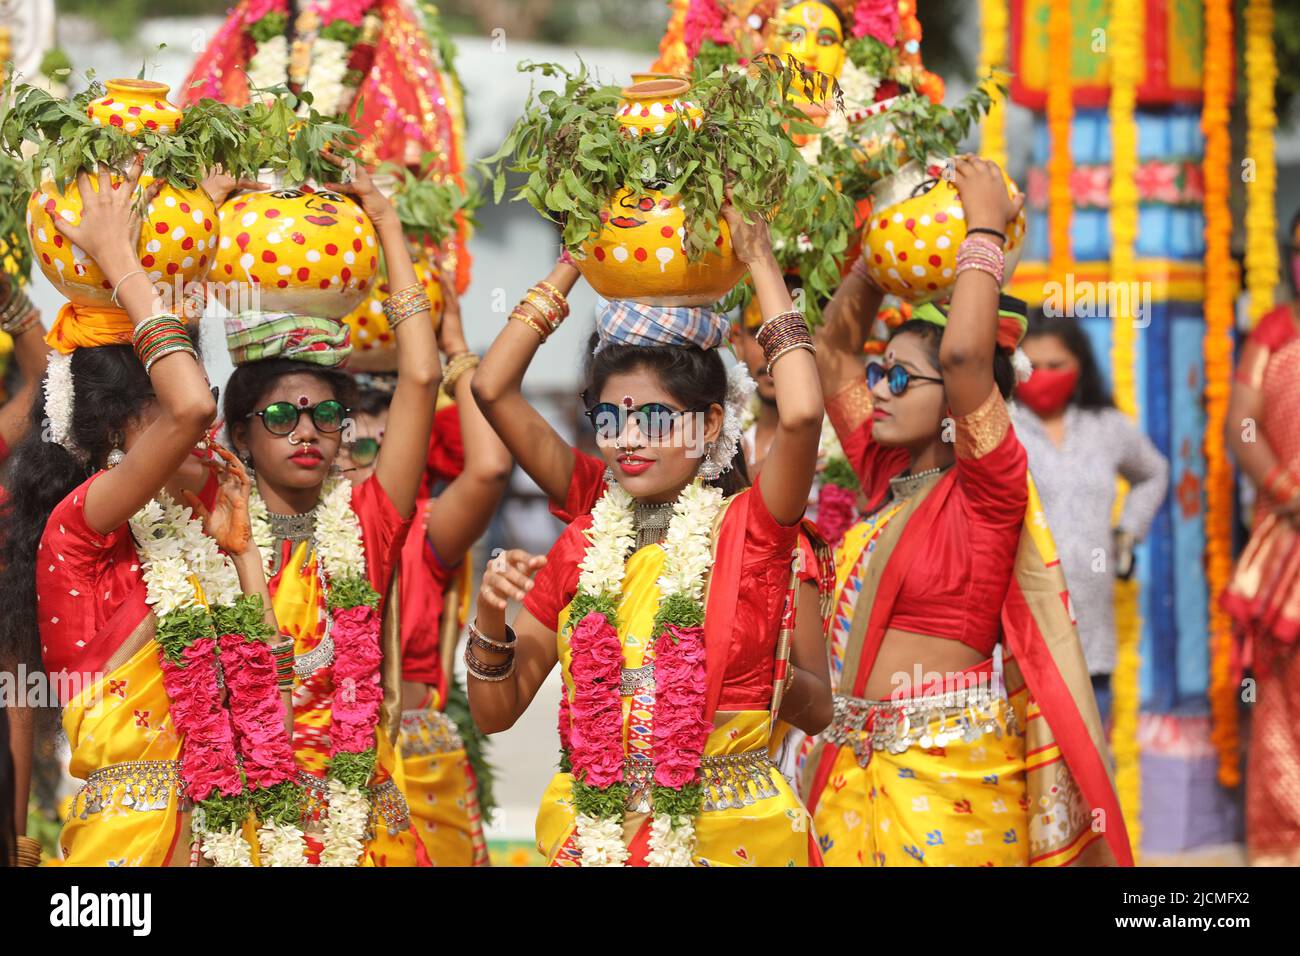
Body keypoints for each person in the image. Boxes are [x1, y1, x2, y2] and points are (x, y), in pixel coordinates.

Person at [468, 203, 832, 866]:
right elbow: (497, 712)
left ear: (710, 421)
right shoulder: (585, 539)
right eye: (610, 418)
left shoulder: (750, 528)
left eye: (655, 420)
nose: (628, 439)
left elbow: (804, 413)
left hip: (732, 840)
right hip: (597, 838)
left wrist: (758, 259)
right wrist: (578, 259)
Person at [804, 155, 1132, 867]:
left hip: (948, 785)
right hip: (849, 780)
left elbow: (961, 360)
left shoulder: (989, 489)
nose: (879, 388)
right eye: (879, 371)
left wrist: (982, 228)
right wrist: (879, 251)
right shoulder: (887, 473)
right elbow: (831, 353)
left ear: (956, 407)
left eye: (899, 376)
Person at [0, 158, 289, 866]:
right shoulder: (78, 527)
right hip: (128, 849)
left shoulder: (196, 534)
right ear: (116, 422)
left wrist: (245, 552)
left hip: (226, 832)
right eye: (165, 399)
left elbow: (272, 680)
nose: (202, 420)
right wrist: (122, 258)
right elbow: (192, 407)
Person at [219, 152, 442, 866]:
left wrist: (383, 217)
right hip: (243, 822)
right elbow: (174, 395)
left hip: (360, 830)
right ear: (238, 435)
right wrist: (197, 224)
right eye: (281, 415)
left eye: (324, 416)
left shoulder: (370, 521)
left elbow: (423, 374)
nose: (308, 432)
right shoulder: (205, 530)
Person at [338, 270, 510, 866]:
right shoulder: (273, 535)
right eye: (347, 445)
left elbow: (487, 470)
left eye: (378, 449)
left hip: (418, 756)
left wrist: (457, 349)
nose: (355, 463)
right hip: (316, 758)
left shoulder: (421, 530)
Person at [1015, 313, 1169, 718]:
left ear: (1079, 366)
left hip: (1091, 634)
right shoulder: (1002, 424)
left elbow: (1154, 472)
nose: (1045, 376)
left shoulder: (1107, 426)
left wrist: (1128, 534)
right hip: (1020, 633)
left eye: (1056, 366)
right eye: (1034, 367)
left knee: (1093, 765)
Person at [1222, 208, 1300, 866]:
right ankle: (1282, 844)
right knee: (1278, 689)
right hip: (1289, 535)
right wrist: (1287, 492)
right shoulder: (1275, 333)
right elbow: (1240, 427)